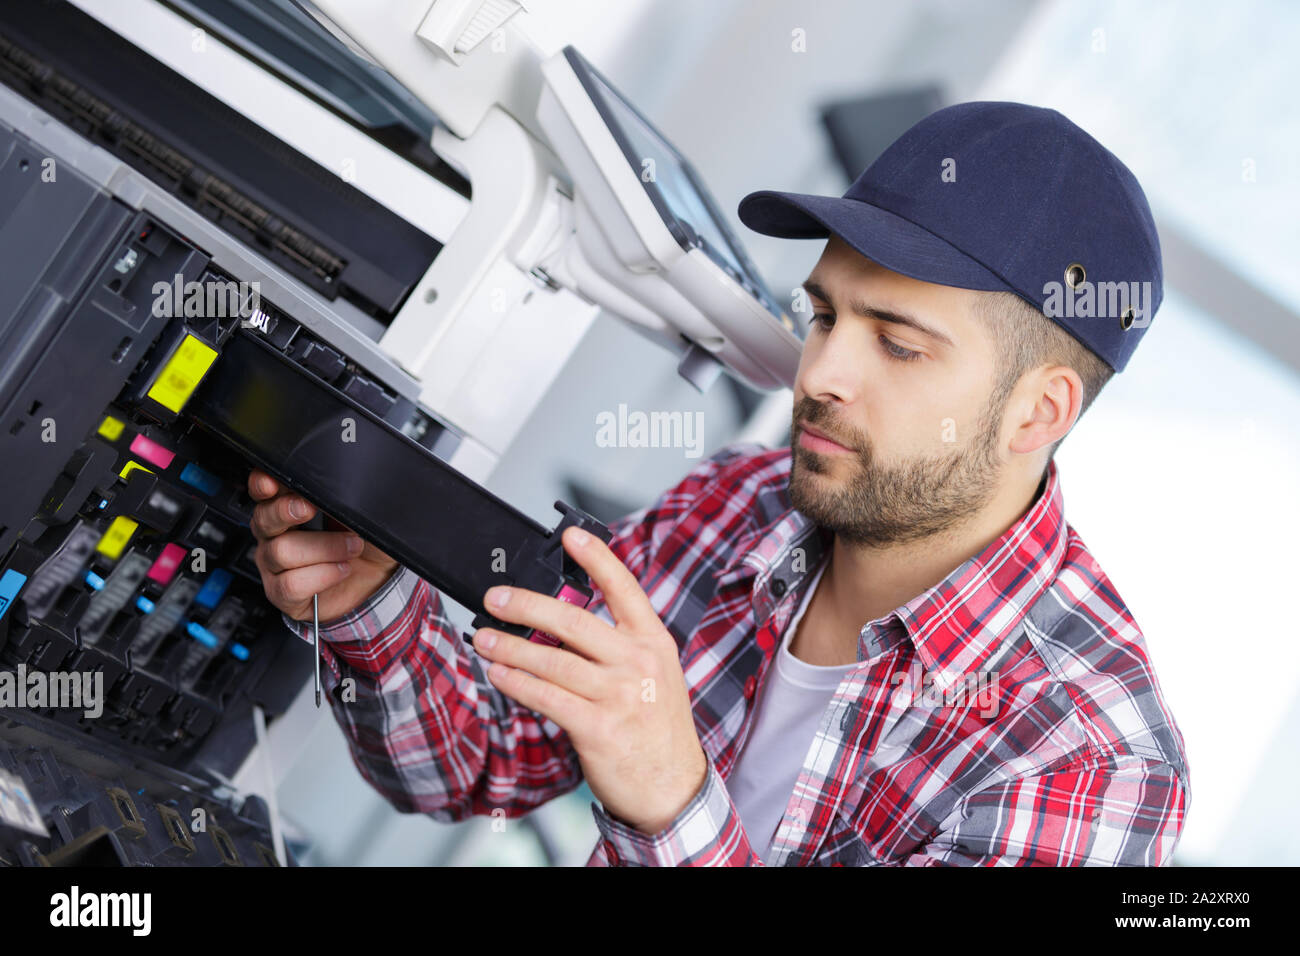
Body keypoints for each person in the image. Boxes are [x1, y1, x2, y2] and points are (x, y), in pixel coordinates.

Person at [248, 101, 1188, 866]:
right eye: (824, 316)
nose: (819, 375)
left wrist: (668, 798)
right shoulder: (744, 504)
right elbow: (477, 761)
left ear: (1038, 412)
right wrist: (371, 608)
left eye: (898, 343)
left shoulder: (1094, 759)